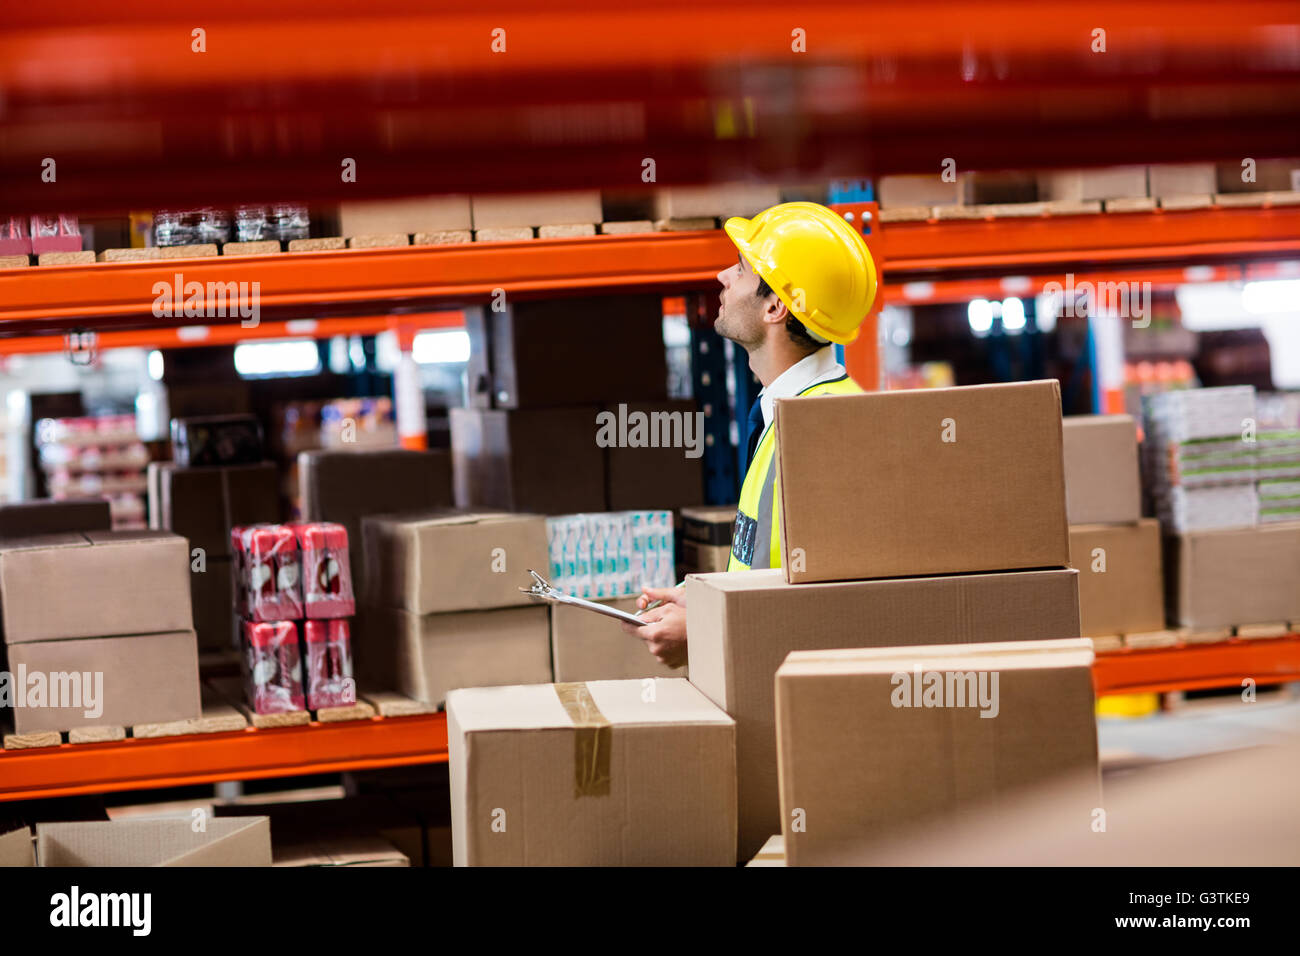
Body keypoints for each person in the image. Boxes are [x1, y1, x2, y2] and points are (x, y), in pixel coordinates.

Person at [623, 201, 879, 667]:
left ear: (777, 306)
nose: (723, 275)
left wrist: (705, 630)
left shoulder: (832, 430)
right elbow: (774, 569)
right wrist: (702, 601)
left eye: (740, 269)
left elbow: (843, 610)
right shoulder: (788, 413)